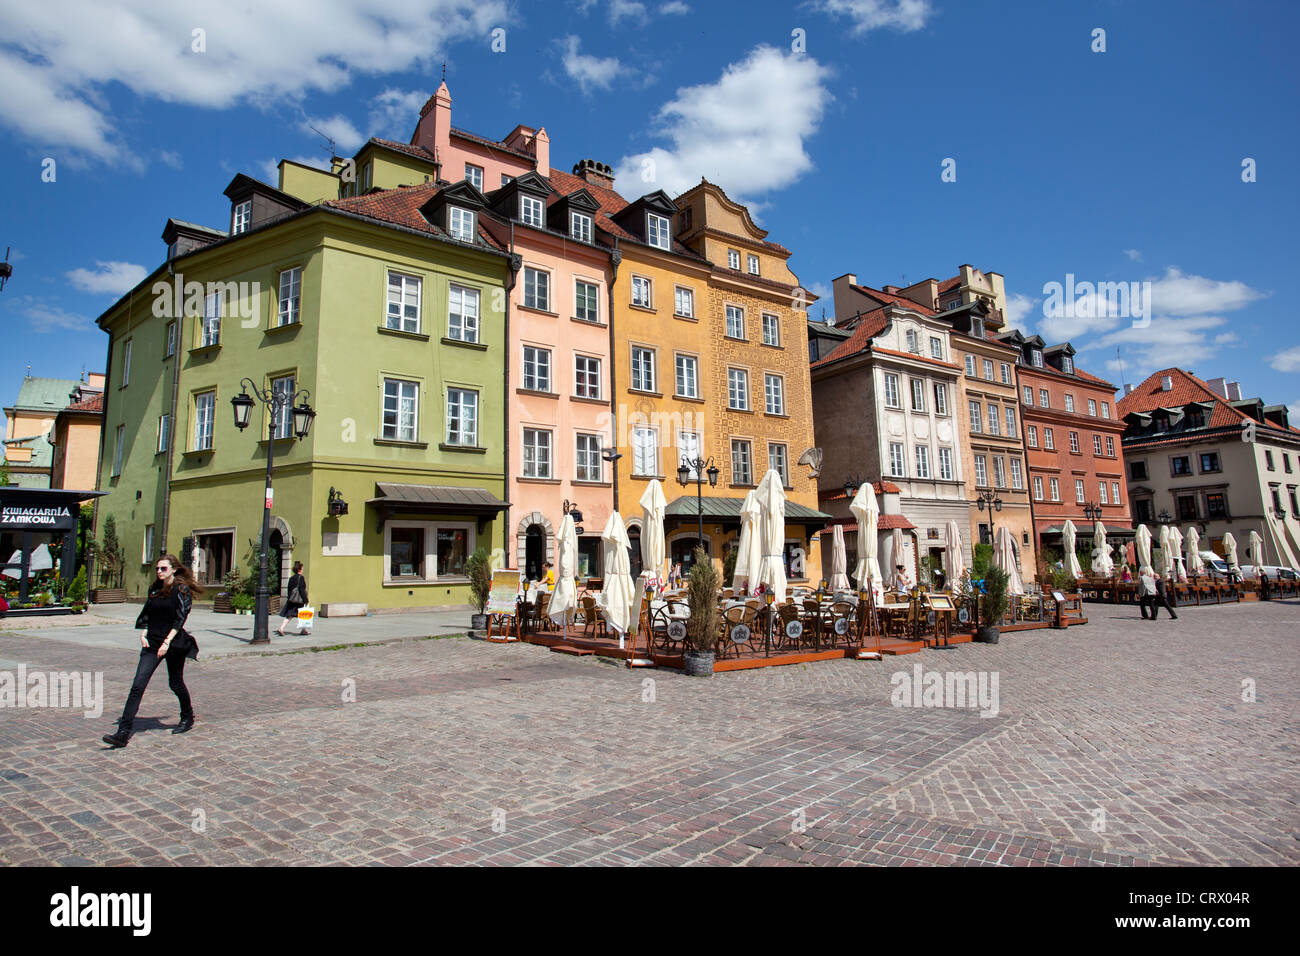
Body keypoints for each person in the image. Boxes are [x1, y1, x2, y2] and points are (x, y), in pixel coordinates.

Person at [102, 554, 202, 748]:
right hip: (152, 643)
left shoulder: (181, 590)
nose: (159, 572)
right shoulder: (155, 588)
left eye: (163, 568)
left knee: (175, 683)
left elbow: (180, 618)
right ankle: (123, 732)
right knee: (138, 685)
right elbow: (149, 613)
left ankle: (187, 716)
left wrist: (167, 642)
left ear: (173, 570)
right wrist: (144, 633)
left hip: (173, 643)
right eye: (157, 568)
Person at [277, 560, 308, 636]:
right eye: (302, 568)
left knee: (290, 614)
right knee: (303, 614)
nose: (303, 570)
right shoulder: (301, 578)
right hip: (299, 600)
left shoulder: (291, 578)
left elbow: (289, 589)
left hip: (292, 599)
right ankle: (303, 630)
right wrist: (305, 600)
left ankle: (282, 628)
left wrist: (290, 597)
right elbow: (301, 590)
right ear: (299, 569)